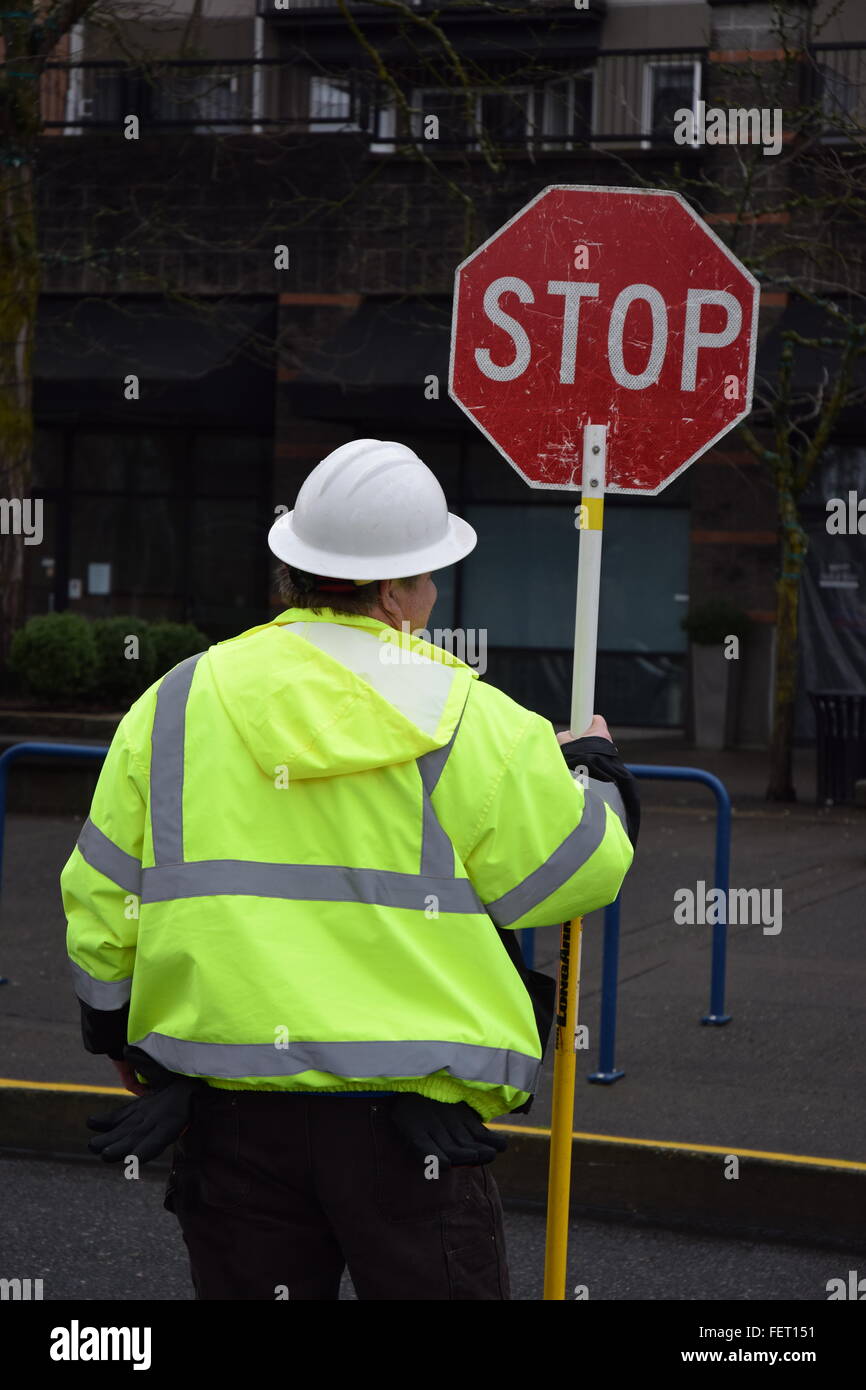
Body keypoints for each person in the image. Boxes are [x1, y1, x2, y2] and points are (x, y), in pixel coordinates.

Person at [61, 437, 638, 1301]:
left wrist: (118, 1039)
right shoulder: (468, 715)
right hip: (414, 1140)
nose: (435, 597)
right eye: (429, 577)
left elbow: (103, 899)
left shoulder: (176, 703)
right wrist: (595, 775)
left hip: (227, 1122)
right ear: (398, 592)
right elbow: (575, 873)